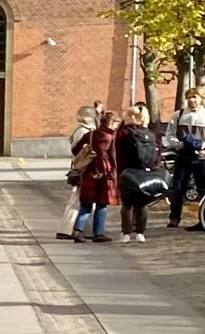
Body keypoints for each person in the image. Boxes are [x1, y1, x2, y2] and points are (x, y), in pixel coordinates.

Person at [72, 108, 120, 242]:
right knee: (102, 204)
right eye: (116, 123)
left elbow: (76, 149)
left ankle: (78, 230)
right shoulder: (110, 137)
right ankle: (98, 233)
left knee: (86, 204)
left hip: (89, 173)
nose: (117, 126)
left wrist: (87, 157)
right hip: (105, 174)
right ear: (110, 123)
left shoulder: (92, 134)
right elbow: (113, 157)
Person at [117, 107, 162, 242]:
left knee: (126, 204)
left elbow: (118, 155)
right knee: (142, 203)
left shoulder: (124, 134)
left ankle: (125, 233)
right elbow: (158, 155)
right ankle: (140, 233)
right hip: (146, 172)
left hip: (128, 171)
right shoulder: (152, 134)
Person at [168, 89, 205, 232]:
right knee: (178, 188)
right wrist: (181, 144)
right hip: (183, 156)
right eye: (188, 97)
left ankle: (201, 219)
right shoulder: (178, 115)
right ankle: (174, 217)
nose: (191, 100)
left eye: (194, 97)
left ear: (201, 98)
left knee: (203, 189)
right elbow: (170, 135)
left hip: (201, 158)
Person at [63, 104, 98, 237]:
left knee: (79, 199)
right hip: (84, 167)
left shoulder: (79, 130)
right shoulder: (84, 131)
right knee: (79, 200)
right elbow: (80, 150)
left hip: (80, 166)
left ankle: (74, 228)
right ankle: (70, 228)